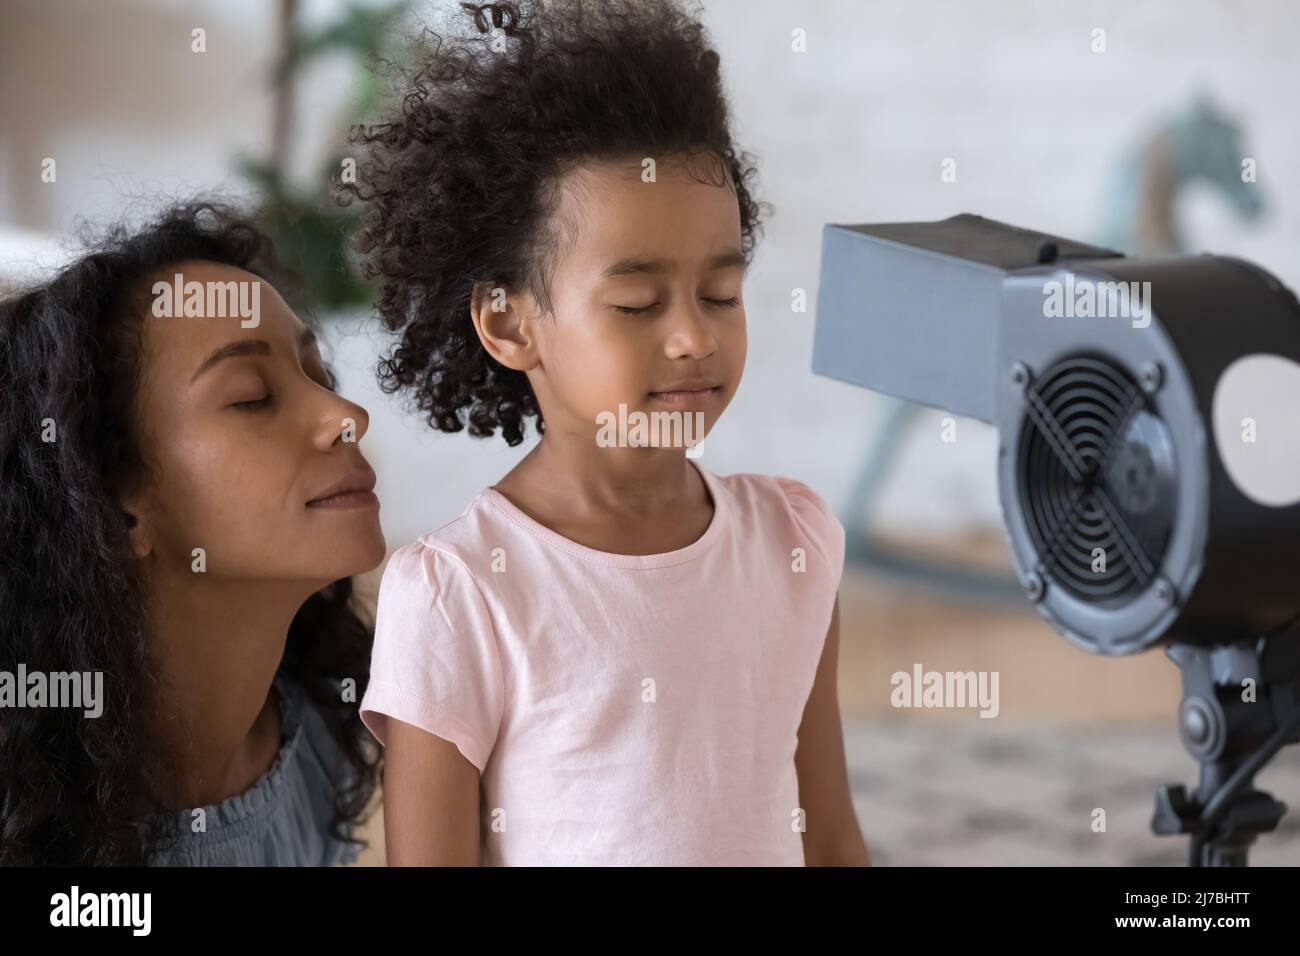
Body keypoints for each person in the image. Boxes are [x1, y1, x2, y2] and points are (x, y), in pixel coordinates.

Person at [346, 0, 870, 865]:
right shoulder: (459, 592)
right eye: (637, 303)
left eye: (721, 294)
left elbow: (830, 833)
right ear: (510, 325)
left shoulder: (795, 540)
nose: (694, 337)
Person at [0, 202, 384, 865]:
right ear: (118, 507)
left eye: (319, 376)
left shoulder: (326, 737)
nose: (346, 415)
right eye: (251, 396)